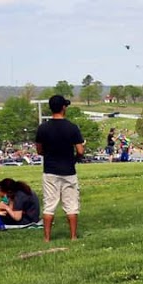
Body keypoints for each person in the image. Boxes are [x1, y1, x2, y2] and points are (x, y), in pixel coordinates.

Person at [35, 94, 84, 241]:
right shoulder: (72, 127)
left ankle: (47, 238)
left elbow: (39, 150)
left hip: (50, 170)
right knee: (71, 204)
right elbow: (80, 151)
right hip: (68, 170)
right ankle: (73, 236)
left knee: (49, 204)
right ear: (63, 107)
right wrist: (74, 159)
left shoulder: (43, 128)